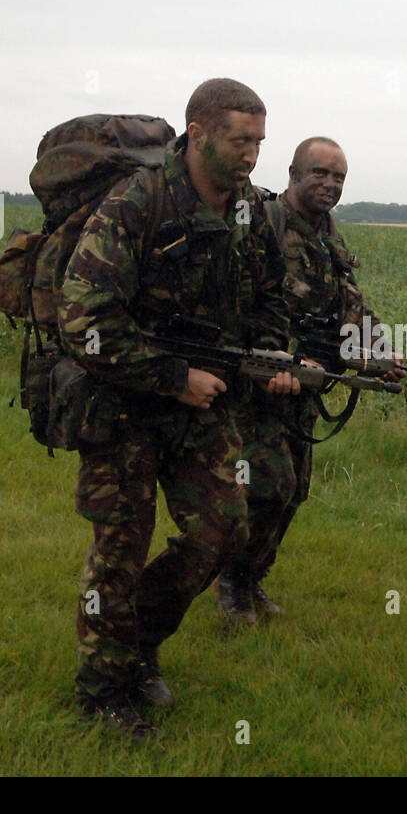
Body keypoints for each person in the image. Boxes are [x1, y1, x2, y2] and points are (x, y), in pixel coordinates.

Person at [58, 78, 301, 738]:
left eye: (259, 141)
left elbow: (272, 297)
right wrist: (172, 376)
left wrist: (272, 357)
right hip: (122, 401)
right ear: (198, 133)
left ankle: (135, 644)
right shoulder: (137, 202)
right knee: (119, 548)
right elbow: (82, 321)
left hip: (199, 404)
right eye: (238, 140)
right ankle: (105, 690)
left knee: (219, 530)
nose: (252, 154)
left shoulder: (254, 212)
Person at [217, 137, 400, 624]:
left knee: (293, 489)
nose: (329, 183)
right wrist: (277, 361)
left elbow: (351, 306)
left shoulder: (330, 238)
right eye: (319, 173)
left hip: (307, 385)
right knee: (264, 485)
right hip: (259, 382)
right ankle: (231, 584)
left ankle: (253, 578)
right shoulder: (266, 225)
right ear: (294, 172)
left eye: (338, 177)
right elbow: (238, 303)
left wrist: (379, 351)